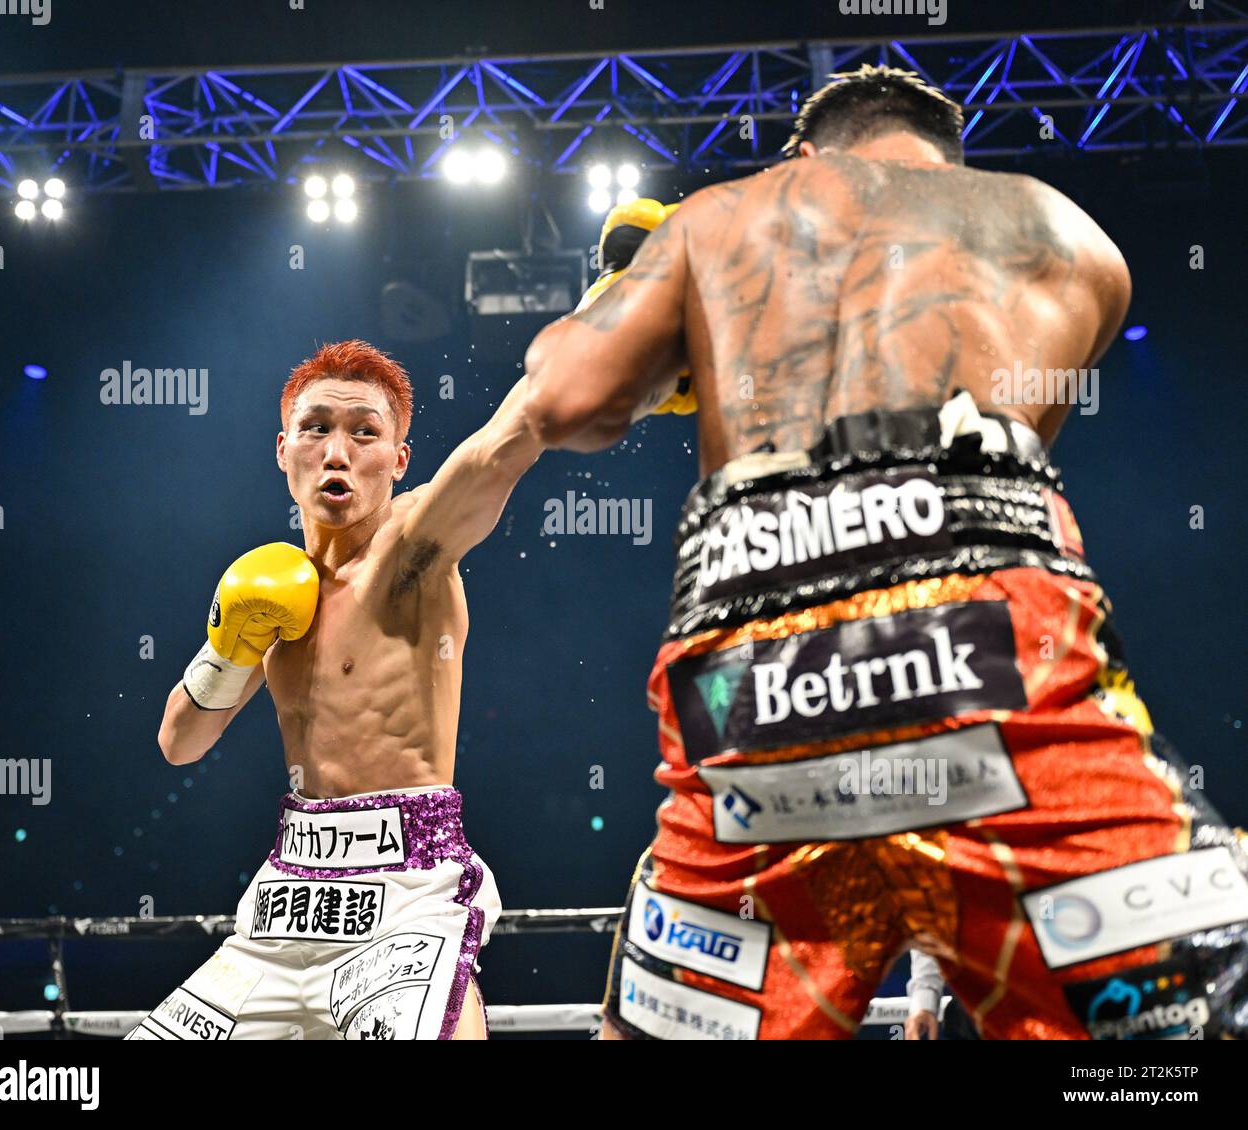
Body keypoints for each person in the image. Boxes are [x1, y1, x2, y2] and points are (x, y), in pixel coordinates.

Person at [523, 65, 1248, 1040]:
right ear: (949, 160)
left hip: (756, 670)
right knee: (1183, 1027)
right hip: (992, 641)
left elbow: (568, 400)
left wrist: (637, 301)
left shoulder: (721, 214)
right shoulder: (1069, 236)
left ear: (804, 155)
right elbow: (1010, 443)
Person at [129, 339, 543, 1040]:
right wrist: (234, 644)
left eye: (365, 432)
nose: (337, 450)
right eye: (317, 427)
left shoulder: (417, 546)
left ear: (400, 459)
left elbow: (504, 445)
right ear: (283, 448)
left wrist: (617, 311)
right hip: (285, 898)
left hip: (407, 890)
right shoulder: (271, 591)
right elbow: (178, 742)